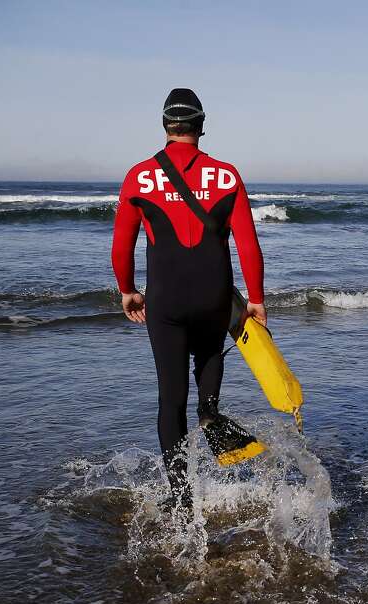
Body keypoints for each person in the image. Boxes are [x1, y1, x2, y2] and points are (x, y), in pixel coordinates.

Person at [111, 88, 267, 503]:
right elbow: (249, 246)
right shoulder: (227, 175)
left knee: (169, 399)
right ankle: (211, 412)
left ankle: (181, 497)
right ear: (201, 125)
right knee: (210, 355)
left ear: (166, 126)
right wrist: (255, 299)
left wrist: (127, 290)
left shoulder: (139, 176)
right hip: (214, 294)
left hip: (167, 300)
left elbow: (121, 247)